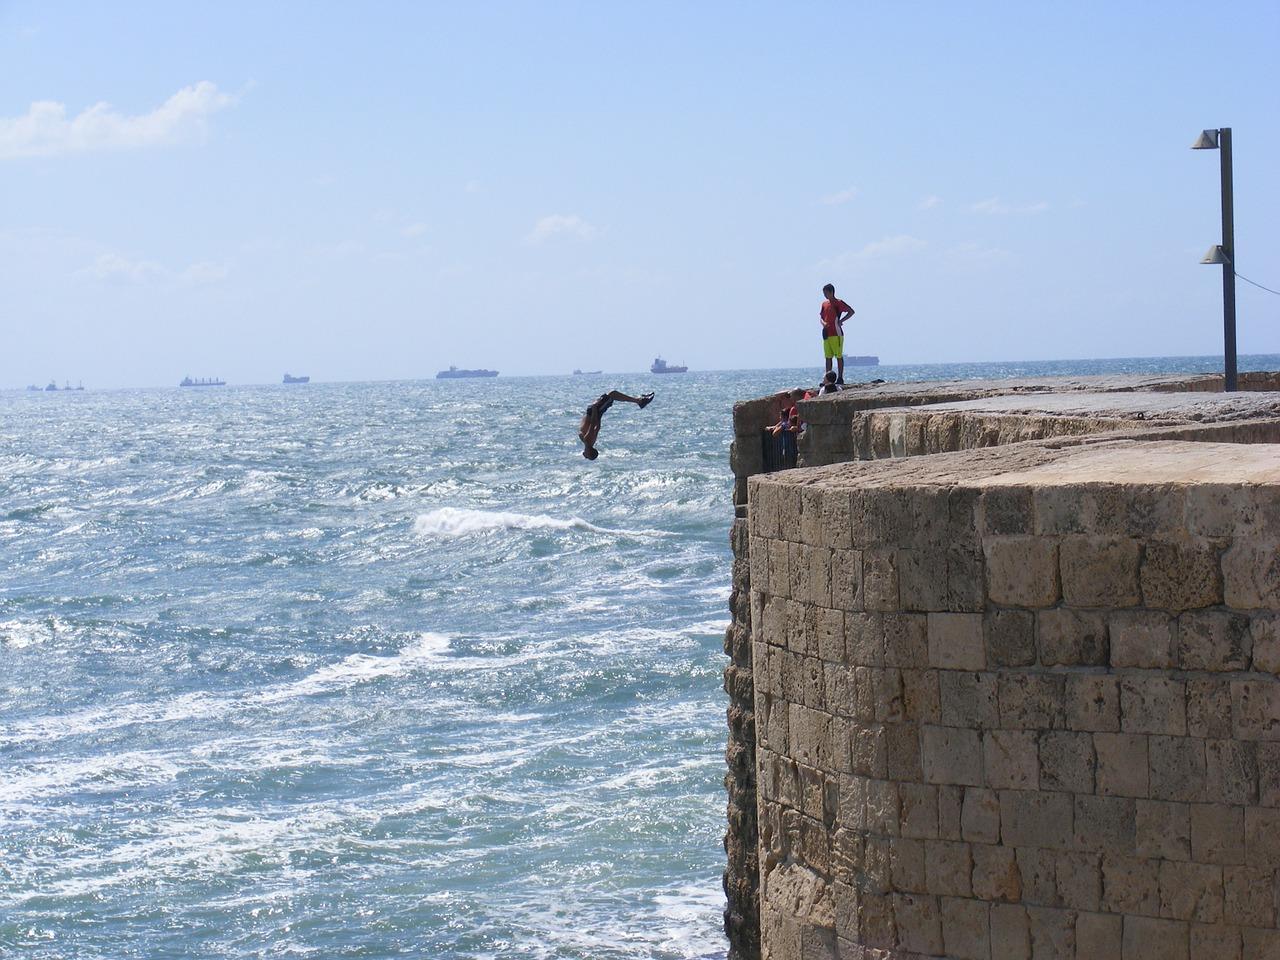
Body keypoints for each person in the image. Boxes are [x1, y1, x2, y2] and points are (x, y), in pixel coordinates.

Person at [578, 390, 654, 459]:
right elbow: (593, 425)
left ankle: (640, 400)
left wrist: (599, 414)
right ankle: (640, 401)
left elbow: (597, 427)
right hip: (593, 412)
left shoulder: (588, 442)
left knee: (612, 395)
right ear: (589, 452)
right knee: (612, 394)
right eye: (587, 457)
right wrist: (595, 409)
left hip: (594, 412)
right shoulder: (588, 441)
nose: (585, 457)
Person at [819, 283, 855, 385]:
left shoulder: (838, 302)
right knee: (828, 356)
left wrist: (841, 320)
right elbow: (821, 317)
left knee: (838, 356)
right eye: (824, 293)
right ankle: (827, 379)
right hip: (826, 334)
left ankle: (840, 378)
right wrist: (823, 323)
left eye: (826, 293)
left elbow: (851, 311)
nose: (825, 295)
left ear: (831, 292)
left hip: (836, 333)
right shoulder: (824, 304)